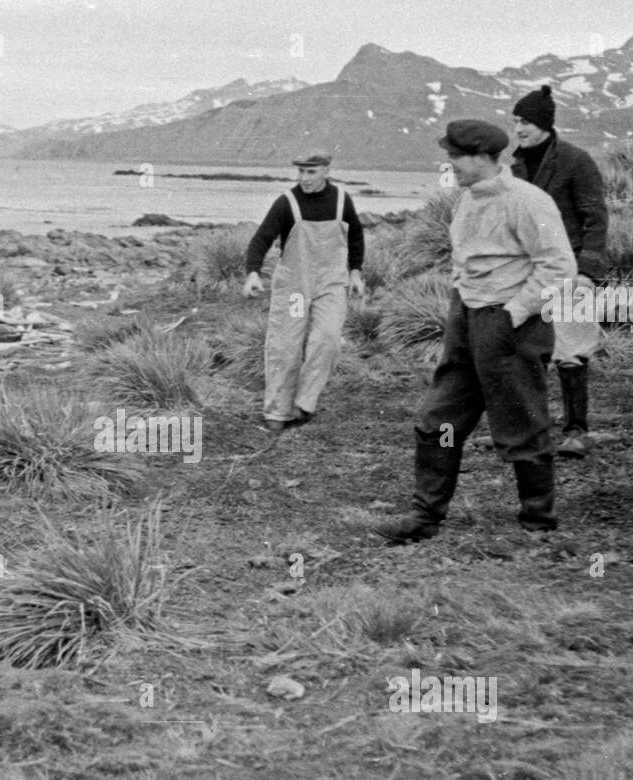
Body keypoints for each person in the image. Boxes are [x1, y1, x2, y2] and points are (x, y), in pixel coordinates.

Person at [372, 120, 576, 544]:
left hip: (511, 325)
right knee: (439, 418)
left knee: (521, 419)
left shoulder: (528, 201)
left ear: (484, 158)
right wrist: (462, 304)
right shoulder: (468, 199)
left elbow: (559, 267)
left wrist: (514, 313)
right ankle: (425, 517)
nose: (450, 164)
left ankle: (538, 522)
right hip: (466, 318)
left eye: (456, 157)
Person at [510, 85, 609, 459]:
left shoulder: (576, 161)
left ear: (545, 124)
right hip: (528, 270)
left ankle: (576, 430)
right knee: (522, 348)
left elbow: (595, 219)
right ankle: (526, 429)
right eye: (516, 121)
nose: (519, 129)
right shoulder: (516, 165)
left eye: (527, 121)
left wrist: (587, 272)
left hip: (570, 269)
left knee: (571, 348)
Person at [243, 150, 366, 433]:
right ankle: (278, 410)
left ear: (326, 170)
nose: (304, 178)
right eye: (300, 172)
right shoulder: (287, 202)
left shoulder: (341, 200)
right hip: (295, 288)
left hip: (331, 283)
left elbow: (356, 236)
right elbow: (261, 238)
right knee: (285, 346)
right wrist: (253, 272)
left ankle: (304, 402)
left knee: (327, 339)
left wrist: (356, 272)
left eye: (311, 172)